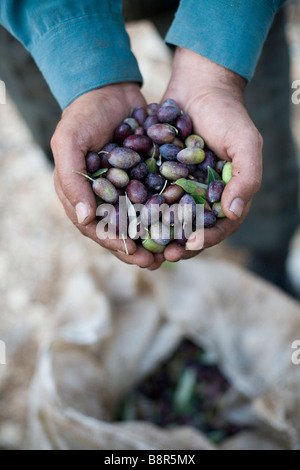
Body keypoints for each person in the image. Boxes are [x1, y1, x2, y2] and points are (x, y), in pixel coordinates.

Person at [0, 1, 299, 294]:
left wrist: (217, 72)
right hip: (33, 17)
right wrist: (83, 75)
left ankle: (268, 259)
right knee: (73, 147)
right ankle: (137, 272)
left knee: (258, 155)